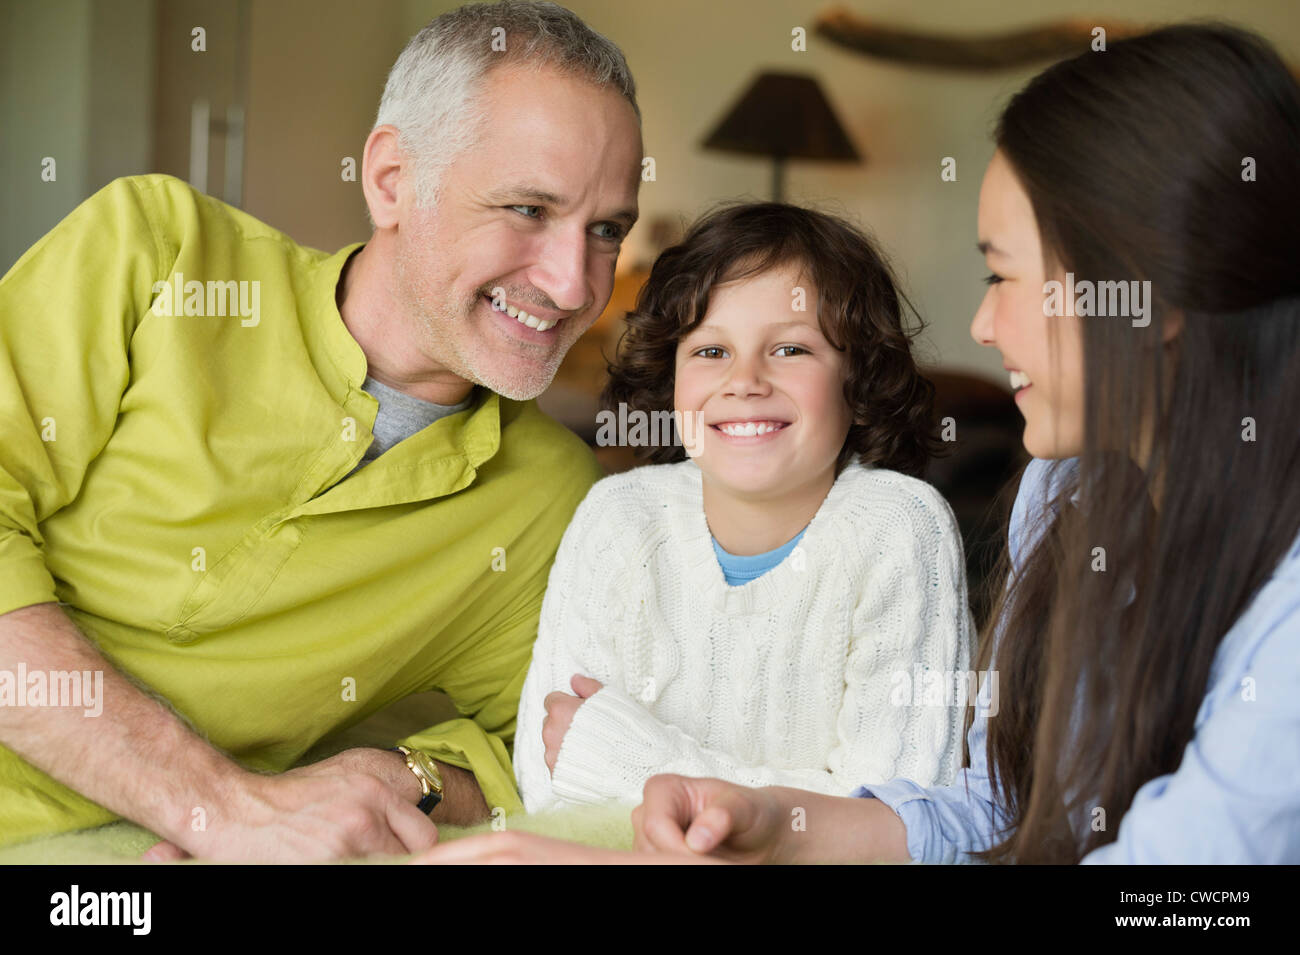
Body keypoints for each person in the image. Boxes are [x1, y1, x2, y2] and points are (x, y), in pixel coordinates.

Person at [411, 22, 1300, 865]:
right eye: (710, 350)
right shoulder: (1066, 492)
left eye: (1003, 274)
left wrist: (645, 768)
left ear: (1148, 295)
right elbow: (992, 815)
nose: (983, 324)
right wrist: (771, 822)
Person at [0, 1, 643, 861]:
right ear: (391, 180)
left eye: (607, 229)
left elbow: (553, 746)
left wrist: (400, 776)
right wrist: (218, 805)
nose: (574, 285)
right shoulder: (156, 253)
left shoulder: (553, 500)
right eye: (528, 209)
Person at [512, 203, 973, 813]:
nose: (746, 380)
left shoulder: (900, 529)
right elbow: (548, 781)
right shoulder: (617, 518)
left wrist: (628, 764)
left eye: (790, 350)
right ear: (670, 375)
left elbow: (891, 822)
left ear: (857, 382)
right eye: (709, 352)